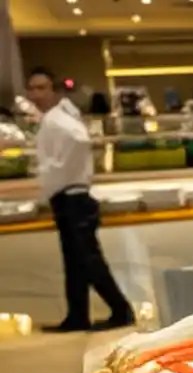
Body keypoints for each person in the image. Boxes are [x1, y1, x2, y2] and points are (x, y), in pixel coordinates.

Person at [25, 67, 134, 333]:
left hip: (72, 197)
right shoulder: (57, 117)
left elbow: (79, 140)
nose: (36, 94)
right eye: (33, 89)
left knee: (87, 260)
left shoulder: (56, 119)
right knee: (75, 261)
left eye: (42, 88)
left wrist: (55, 170)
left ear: (54, 90)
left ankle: (121, 310)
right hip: (69, 196)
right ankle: (77, 316)